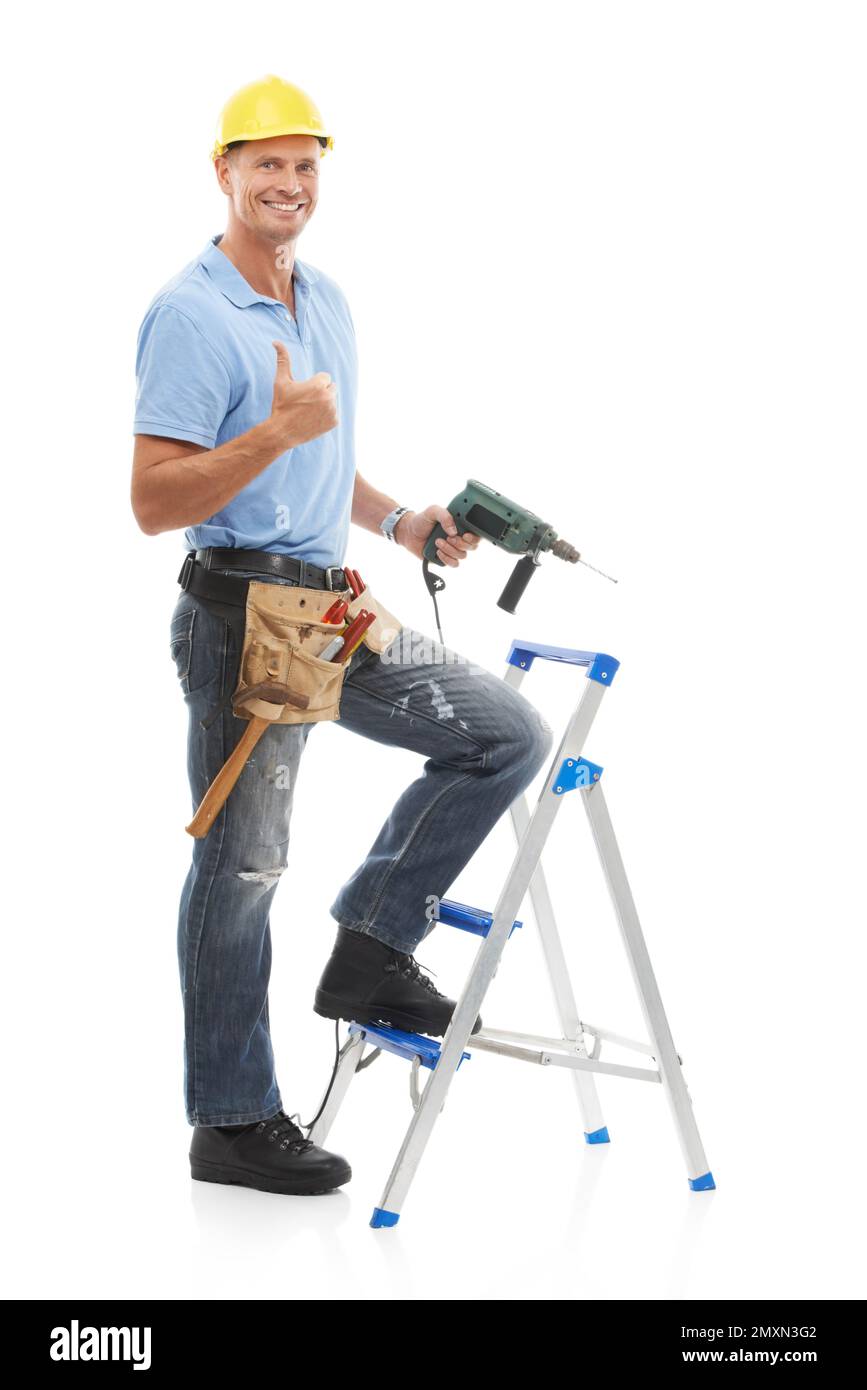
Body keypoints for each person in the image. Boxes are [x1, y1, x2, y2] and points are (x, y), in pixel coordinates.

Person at [131, 75, 553, 1197]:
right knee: (244, 866)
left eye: (305, 165)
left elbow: (326, 460)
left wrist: (400, 517)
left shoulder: (326, 300)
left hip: (333, 600)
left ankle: (371, 942)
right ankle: (229, 1120)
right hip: (245, 609)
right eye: (265, 164)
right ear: (222, 172)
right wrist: (274, 429)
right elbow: (154, 499)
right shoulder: (191, 311)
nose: (288, 184)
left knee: (503, 729)